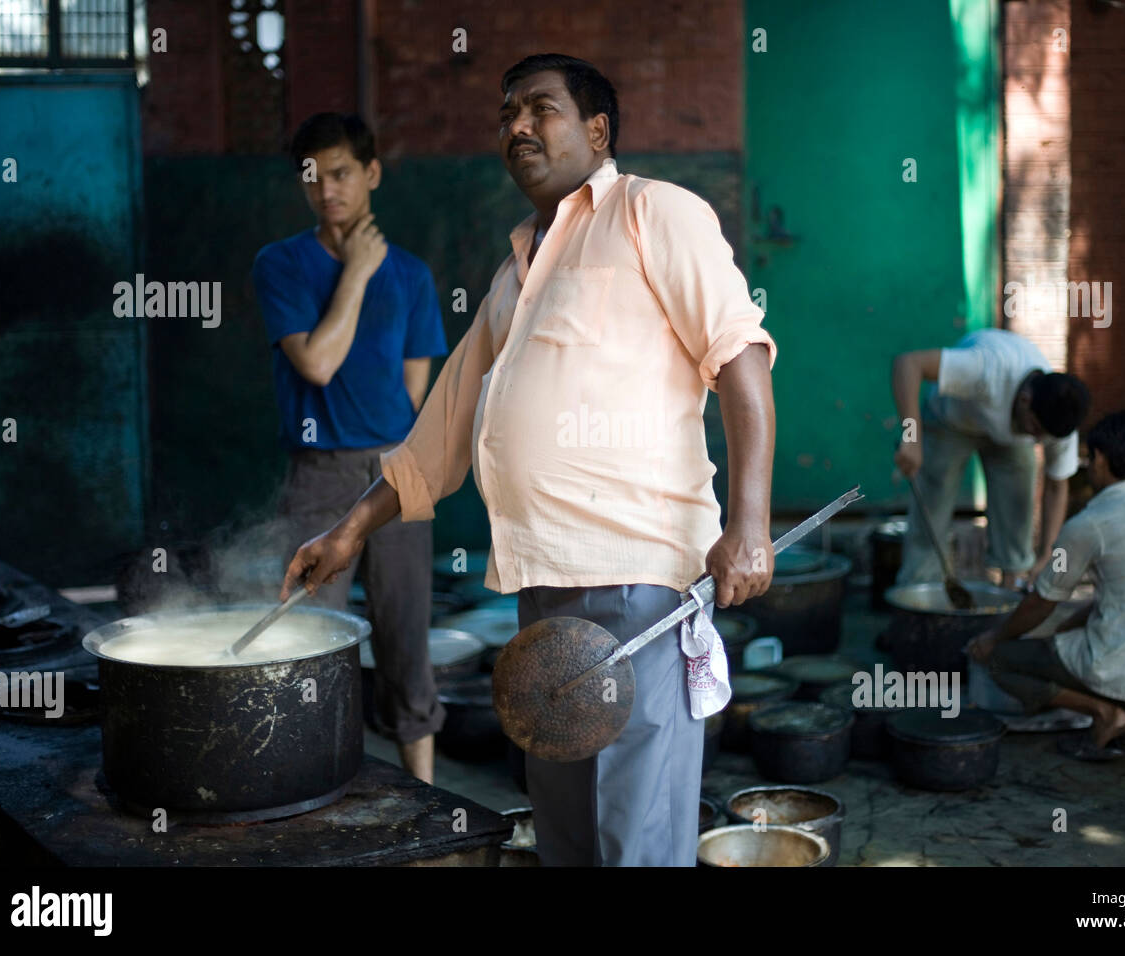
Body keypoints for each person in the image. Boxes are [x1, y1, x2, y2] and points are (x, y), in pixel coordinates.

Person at [279, 54, 777, 865]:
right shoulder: (516, 272)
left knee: (635, 837)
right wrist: (349, 530)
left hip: (638, 585)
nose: (515, 126)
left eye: (539, 109)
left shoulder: (656, 214)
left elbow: (741, 358)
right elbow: (437, 432)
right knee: (567, 832)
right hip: (542, 594)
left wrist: (751, 524)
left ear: (597, 130)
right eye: (507, 113)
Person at [253, 113, 448, 783]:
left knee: (405, 634)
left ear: (370, 174)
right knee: (311, 634)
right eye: (312, 176)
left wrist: (396, 464)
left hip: (398, 470)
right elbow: (317, 364)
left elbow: (412, 393)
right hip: (319, 470)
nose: (326, 188)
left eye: (339, 173)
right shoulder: (280, 263)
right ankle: (312, 781)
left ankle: (422, 792)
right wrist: (359, 273)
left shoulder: (414, 276)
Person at [967, 410, 1125, 761]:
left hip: (1116, 669)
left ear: (1101, 460)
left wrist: (993, 638)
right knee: (1085, 644)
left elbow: (1040, 603)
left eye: (1089, 458)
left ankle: (1105, 715)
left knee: (1000, 661)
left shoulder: (1089, 524)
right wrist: (1068, 626)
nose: (1088, 467)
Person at [892, 328, 1090, 589]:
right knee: (933, 503)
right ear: (1025, 399)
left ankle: (1014, 586)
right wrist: (912, 436)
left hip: (1008, 437)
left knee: (1019, 505)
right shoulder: (986, 367)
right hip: (951, 419)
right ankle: (917, 587)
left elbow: (1056, 485)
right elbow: (907, 364)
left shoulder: (1058, 418)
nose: (1039, 441)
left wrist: (1047, 554)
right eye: (1036, 429)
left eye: (1044, 437)